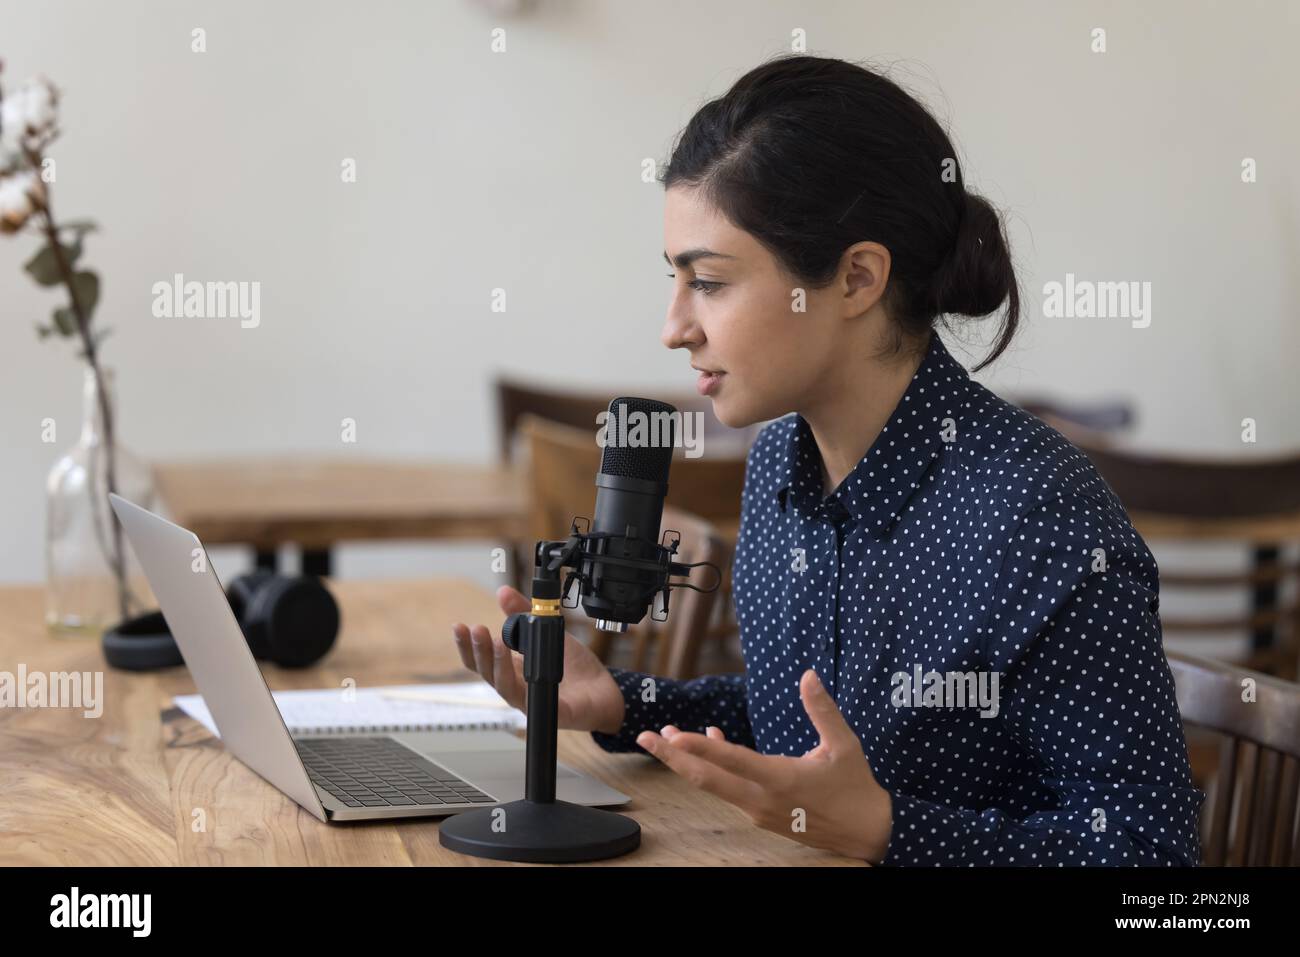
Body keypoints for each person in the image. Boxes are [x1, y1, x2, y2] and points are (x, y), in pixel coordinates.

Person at [452, 54, 1203, 866]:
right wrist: (622, 703)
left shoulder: (1038, 518)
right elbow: (808, 724)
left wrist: (891, 830)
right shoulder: (781, 454)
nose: (674, 327)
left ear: (856, 278)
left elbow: (1156, 861)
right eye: (674, 280)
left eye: (708, 281)